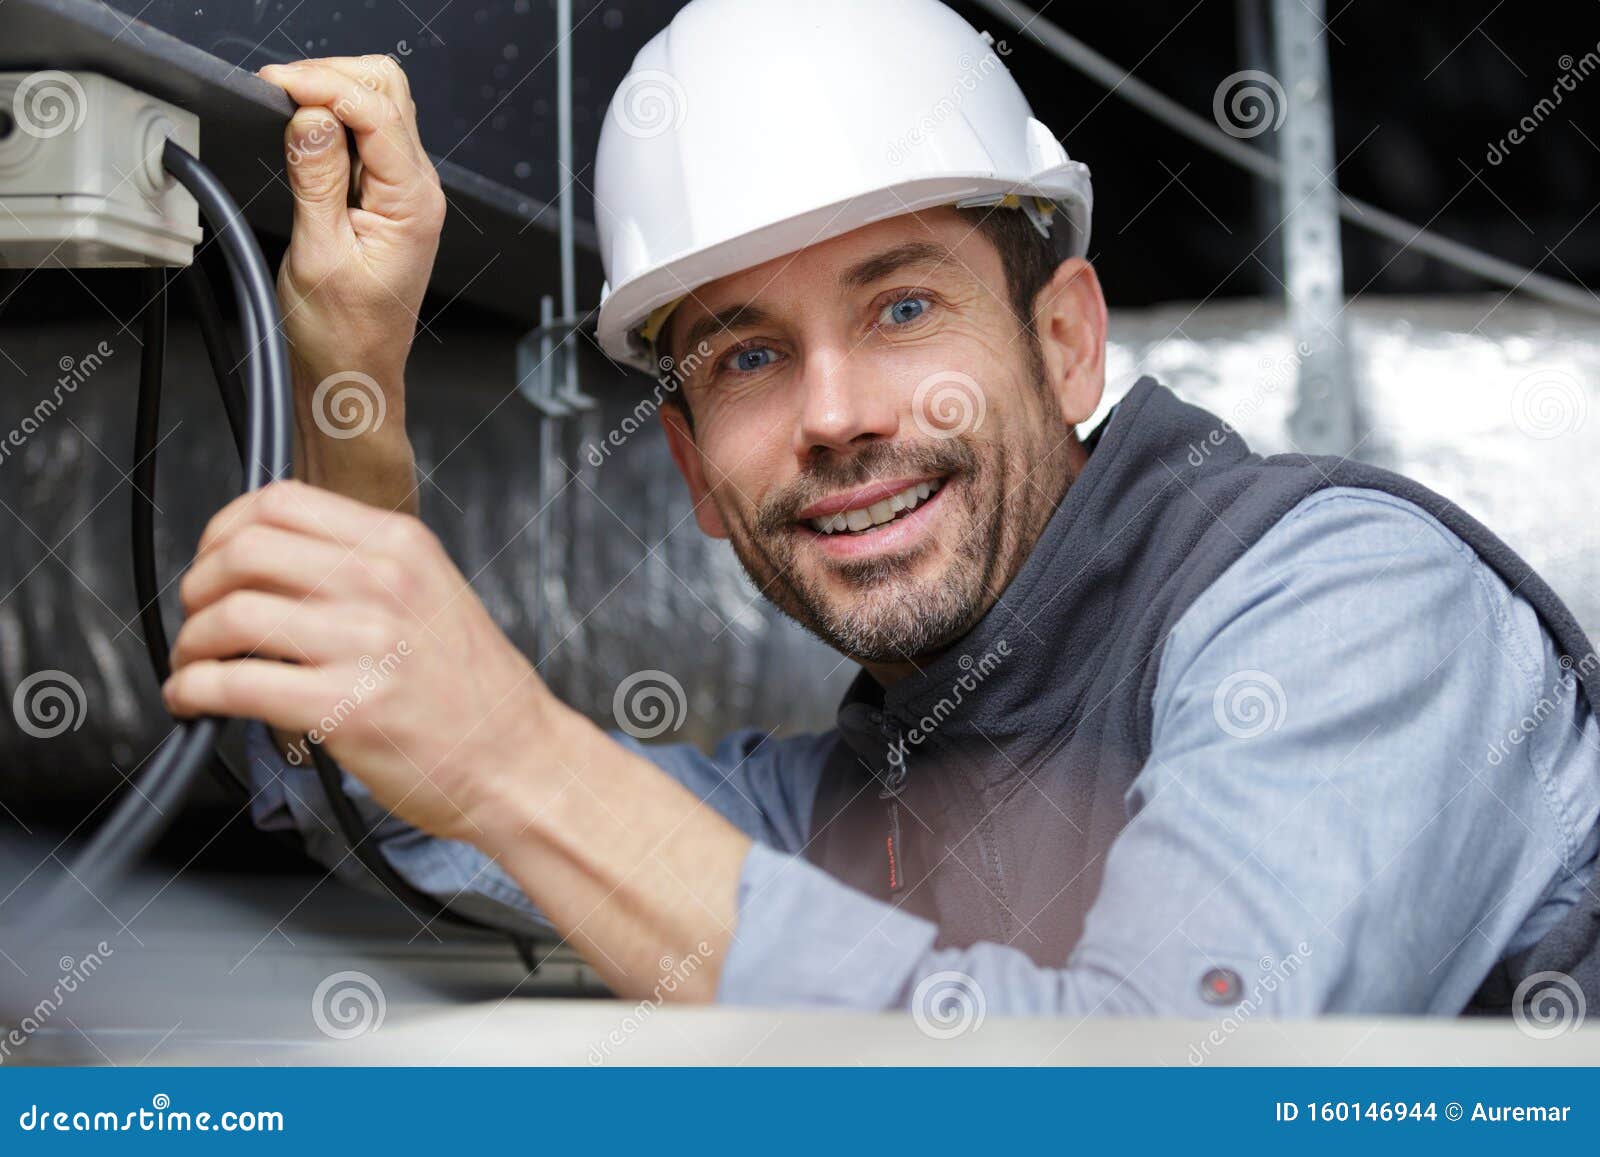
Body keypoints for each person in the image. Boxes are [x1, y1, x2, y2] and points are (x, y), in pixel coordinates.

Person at [163, 0, 1600, 1017]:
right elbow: (402, 802)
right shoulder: (857, 799)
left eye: (904, 304)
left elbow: (1181, 1095)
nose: (836, 412)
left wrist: (524, 760)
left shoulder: (1352, 597)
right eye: (747, 355)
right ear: (695, 477)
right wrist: (352, 374)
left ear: (1065, 345)